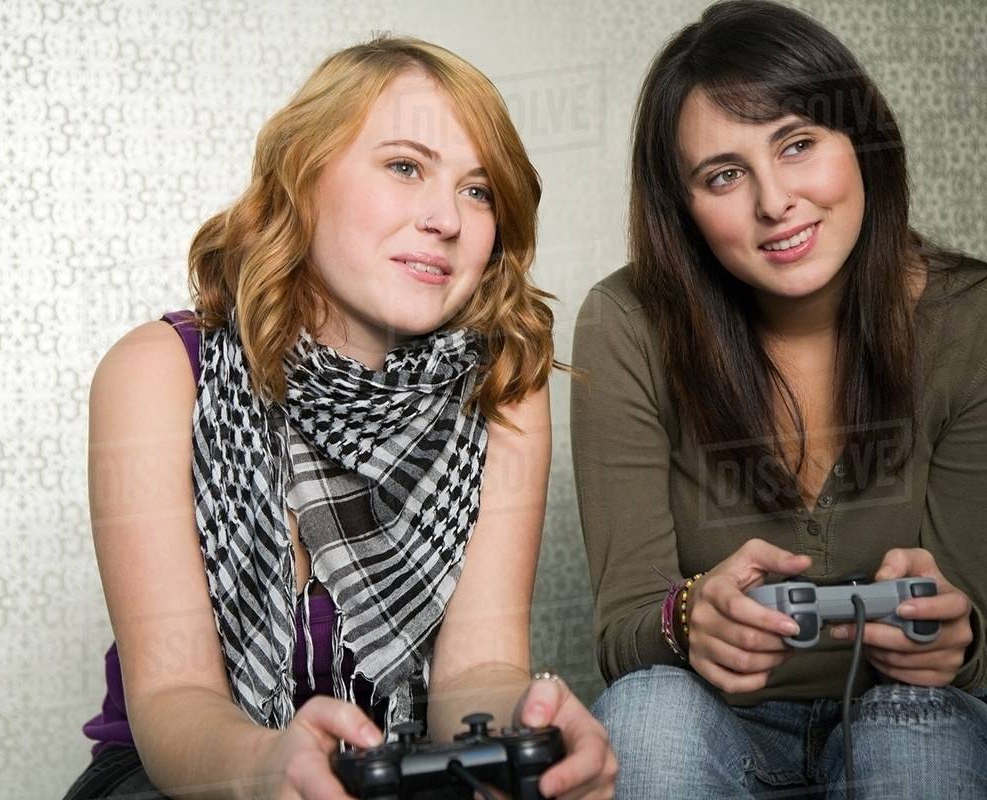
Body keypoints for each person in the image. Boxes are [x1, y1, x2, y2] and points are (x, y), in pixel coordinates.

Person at [64, 36, 616, 800]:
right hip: (186, 779)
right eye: (404, 166)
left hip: (401, 770)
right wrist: (268, 769)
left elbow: (476, 672)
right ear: (304, 174)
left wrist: (531, 733)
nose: (446, 219)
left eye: (478, 190)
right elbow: (172, 699)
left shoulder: (502, 382)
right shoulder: (159, 372)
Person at [571, 2, 987, 798]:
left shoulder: (983, 323)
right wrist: (687, 616)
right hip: (716, 727)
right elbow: (626, 634)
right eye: (724, 175)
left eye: (798, 144)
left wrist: (949, 638)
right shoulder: (626, 324)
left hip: (912, 721)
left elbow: (962, 627)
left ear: (861, 139)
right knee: (649, 708)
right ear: (683, 208)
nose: (774, 202)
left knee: (911, 728)